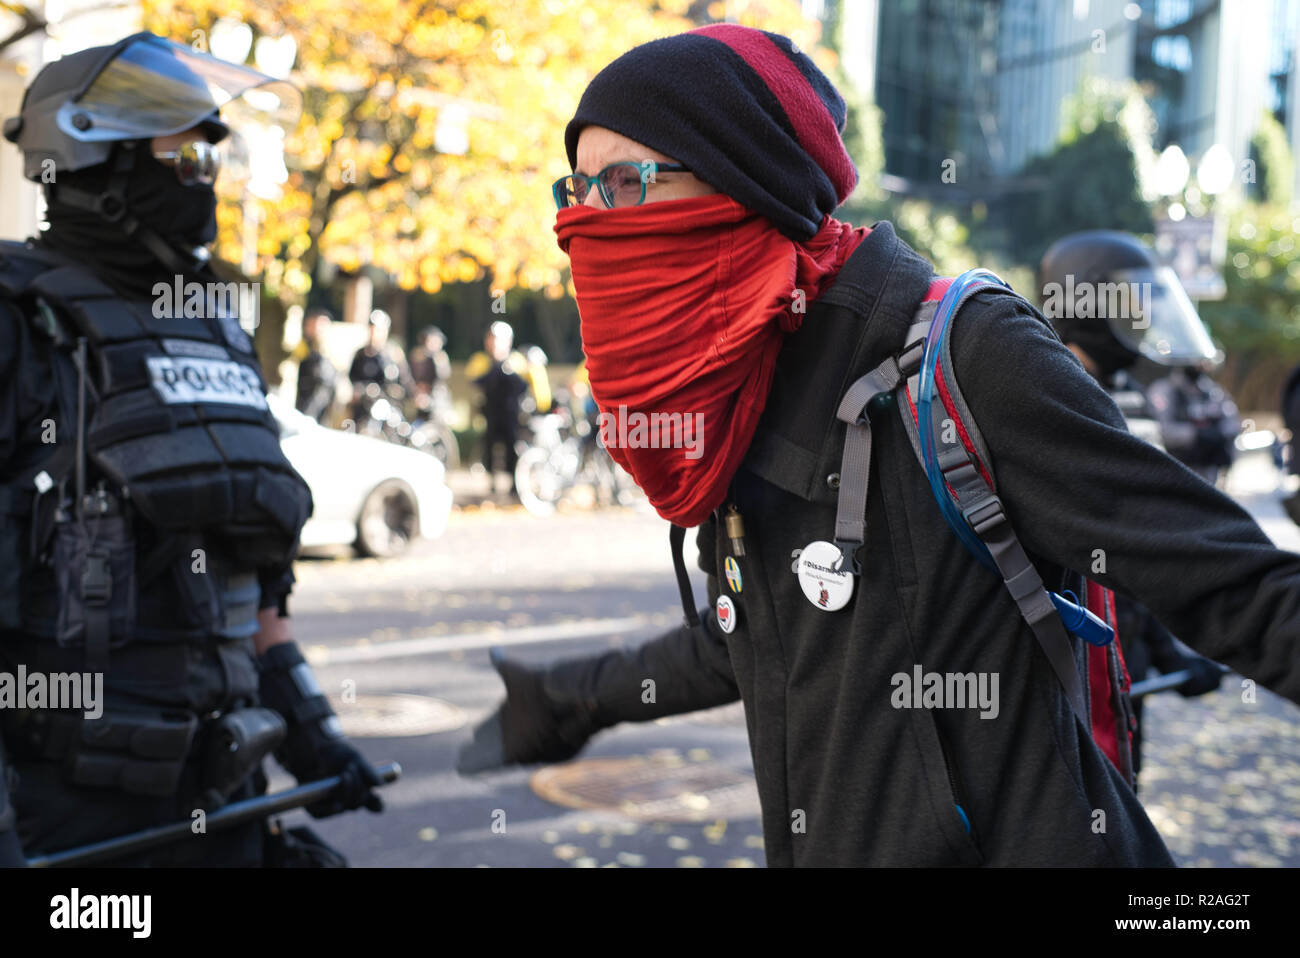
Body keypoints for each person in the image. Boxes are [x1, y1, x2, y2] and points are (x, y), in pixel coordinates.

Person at [459, 25, 1300, 867]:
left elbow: (1231, 585)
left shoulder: (968, 352)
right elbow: (754, 632)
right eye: (579, 189)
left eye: (628, 182)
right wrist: (568, 700)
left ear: (748, 178)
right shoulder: (738, 388)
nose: (591, 223)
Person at [0, 33, 383, 867]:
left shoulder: (216, 333)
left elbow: (258, 601)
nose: (201, 180)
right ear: (92, 160)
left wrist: (316, 738)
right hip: (66, 819)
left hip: (223, 796)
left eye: (207, 159)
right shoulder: (19, 321)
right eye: (179, 156)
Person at [1038, 231, 1225, 782]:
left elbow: (1139, 546)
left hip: (1122, 662)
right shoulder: (1049, 398)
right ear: (1084, 304)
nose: (1143, 316)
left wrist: (1168, 650)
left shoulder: (1131, 396)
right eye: (1129, 300)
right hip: (1064, 669)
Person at [1147, 362, 1241, 486]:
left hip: (1208, 472)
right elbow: (1163, 430)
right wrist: (1196, 434)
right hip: (1175, 471)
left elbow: (1233, 423)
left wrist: (1217, 433)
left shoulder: (1213, 392)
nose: (1199, 365)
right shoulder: (1165, 389)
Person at [469, 321, 528, 498]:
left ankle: (514, 484)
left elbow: (526, 384)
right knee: (490, 446)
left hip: (512, 414)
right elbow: (474, 381)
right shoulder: (481, 361)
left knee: (513, 447)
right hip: (491, 412)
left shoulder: (517, 361)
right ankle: (492, 481)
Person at [294, 307, 338, 424]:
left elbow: (327, 389)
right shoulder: (305, 350)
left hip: (319, 413)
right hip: (304, 408)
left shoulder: (329, 356)